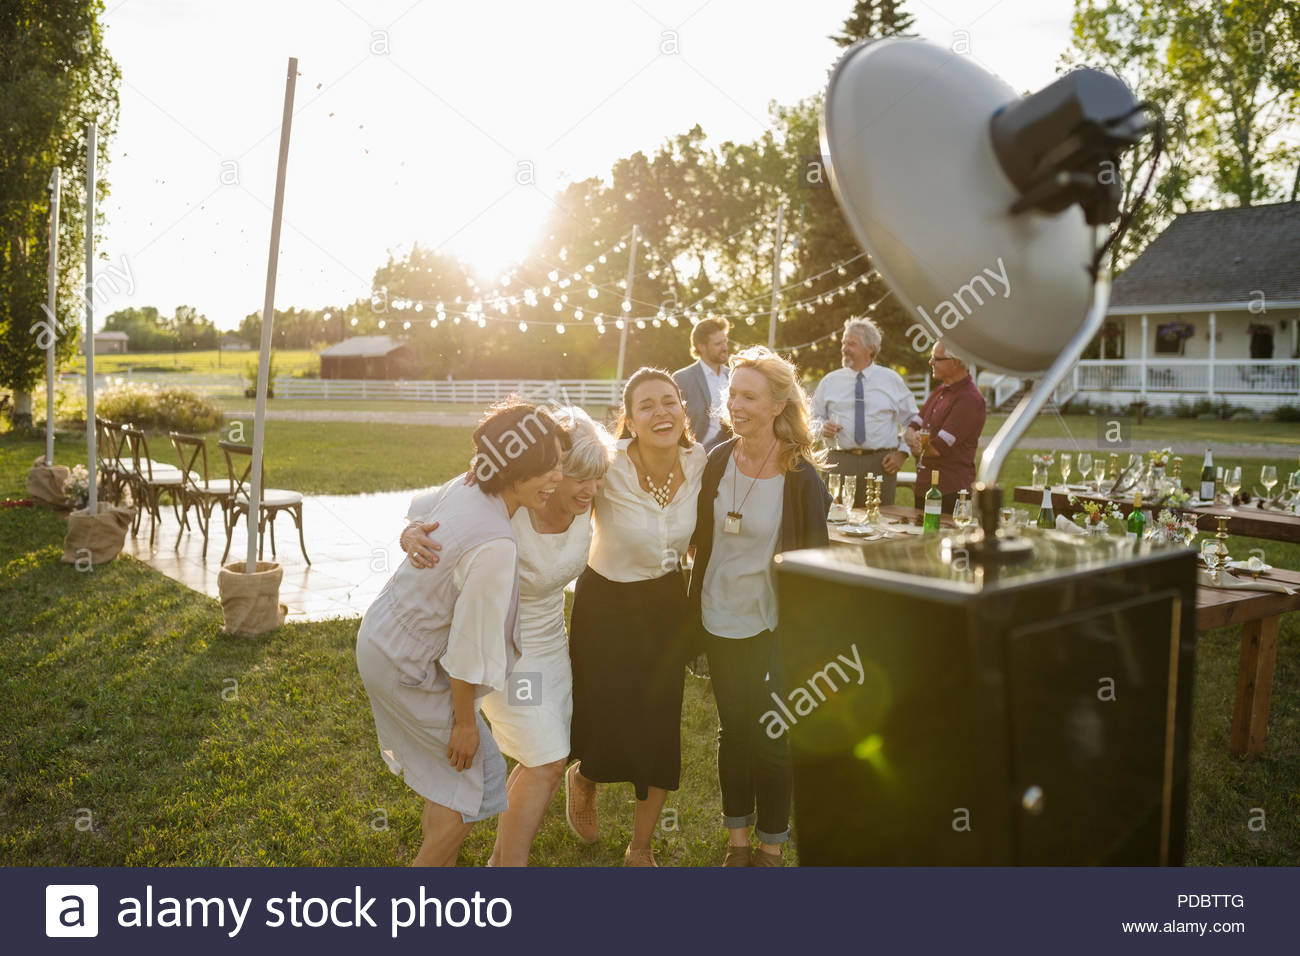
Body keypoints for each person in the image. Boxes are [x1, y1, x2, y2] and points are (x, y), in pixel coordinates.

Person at [399, 409, 617, 867]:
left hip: (550, 646)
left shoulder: (587, 502)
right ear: (550, 472)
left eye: (598, 480)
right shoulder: (507, 497)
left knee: (546, 760)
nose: (592, 491)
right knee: (547, 758)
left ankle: (502, 863)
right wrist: (410, 532)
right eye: (581, 478)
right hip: (498, 646)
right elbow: (425, 507)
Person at [354, 401, 565, 866]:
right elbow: (469, 647)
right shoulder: (495, 544)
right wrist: (466, 723)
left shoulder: (471, 484)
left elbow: (421, 513)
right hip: (403, 664)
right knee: (480, 780)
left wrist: (411, 532)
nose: (557, 478)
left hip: (381, 639)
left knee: (452, 781)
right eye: (546, 469)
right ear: (514, 472)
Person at [688, 347, 830, 868]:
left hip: (775, 625)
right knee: (734, 733)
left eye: (749, 395)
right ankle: (738, 843)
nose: (736, 403)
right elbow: (697, 537)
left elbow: (816, 565)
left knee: (770, 736)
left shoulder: (802, 478)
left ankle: (771, 847)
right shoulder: (718, 460)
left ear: (777, 405)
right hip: (719, 616)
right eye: (732, 394)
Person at [566, 367, 707, 866]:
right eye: (646, 405)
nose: (660, 412)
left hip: (667, 607)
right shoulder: (608, 462)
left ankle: (639, 848)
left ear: (683, 411)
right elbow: (544, 484)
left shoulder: (701, 461)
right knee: (605, 718)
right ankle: (584, 778)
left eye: (669, 401)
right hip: (604, 604)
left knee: (659, 726)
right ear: (628, 418)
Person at [811, 317, 917, 508]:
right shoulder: (829, 381)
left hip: (881, 464)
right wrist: (821, 428)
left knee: (879, 523)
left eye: (852, 343)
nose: (844, 348)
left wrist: (902, 453)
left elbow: (913, 420)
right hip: (837, 463)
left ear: (871, 349)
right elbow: (811, 419)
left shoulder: (891, 380)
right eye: (843, 342)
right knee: (834, 520)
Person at [905, 340, 987, 513]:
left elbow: (936, 449)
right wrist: (913, 439)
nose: (931, 362)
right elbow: (912, 426)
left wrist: (913, 444)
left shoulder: (969, 400)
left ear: (955, 362)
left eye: (936, 358)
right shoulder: (939, 392)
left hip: (950, 493)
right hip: (926, 487)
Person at [674, 317, 731, 451]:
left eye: (725, 341)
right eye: (718, 344)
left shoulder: (733, 376)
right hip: (697, 454)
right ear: (701, 347)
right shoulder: (682, 378)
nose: (725, 348)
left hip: (732, 454)